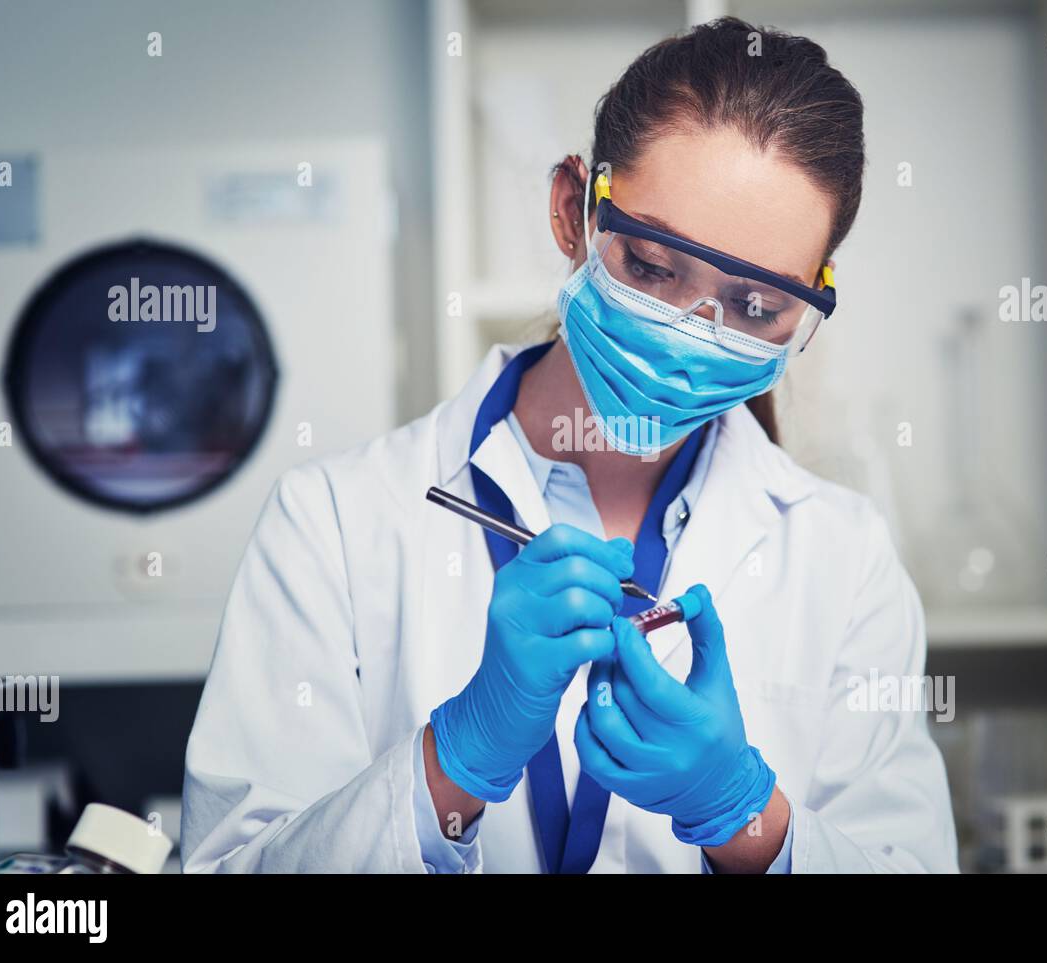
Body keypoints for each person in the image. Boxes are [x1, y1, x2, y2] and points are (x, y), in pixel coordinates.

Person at [181, 17, 957, 874]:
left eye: (755, 307)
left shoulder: (844, 559)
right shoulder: (332, 523)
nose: (691, 335)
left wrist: (745, 816)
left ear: (808, 306)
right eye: (656, 266)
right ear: (571, 211)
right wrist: (456, 758)